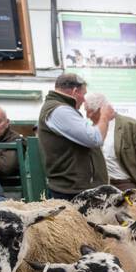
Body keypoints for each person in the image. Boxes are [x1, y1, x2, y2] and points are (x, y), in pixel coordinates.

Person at [37, 72, 110, 200]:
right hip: (72, 192)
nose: (84, 99)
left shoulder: (60, 108)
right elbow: (95, 138)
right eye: (84, 94)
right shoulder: (60, 110)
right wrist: (105, 116)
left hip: (74, 189)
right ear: (75, 91)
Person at [84, 92, 136, 205]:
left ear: (101, 109)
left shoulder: (130, 126)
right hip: (104, 189)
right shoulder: (93, 130)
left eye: (89, 111)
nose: (87, 116)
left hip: (128, 186)